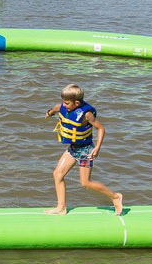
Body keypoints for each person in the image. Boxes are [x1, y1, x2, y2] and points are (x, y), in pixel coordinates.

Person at [46, 84, 121, 215]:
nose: (64, 105)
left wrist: (97, 148)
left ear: (77, 102)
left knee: (85, 183)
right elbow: (55, 109)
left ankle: (115, 197)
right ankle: (61, 207)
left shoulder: (86, 115)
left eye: (67, 103)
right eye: (63, 101)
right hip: (73, 148)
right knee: (57, 174)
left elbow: (101, 129)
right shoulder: (62, 106)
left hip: (86, 150)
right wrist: (50, 113)